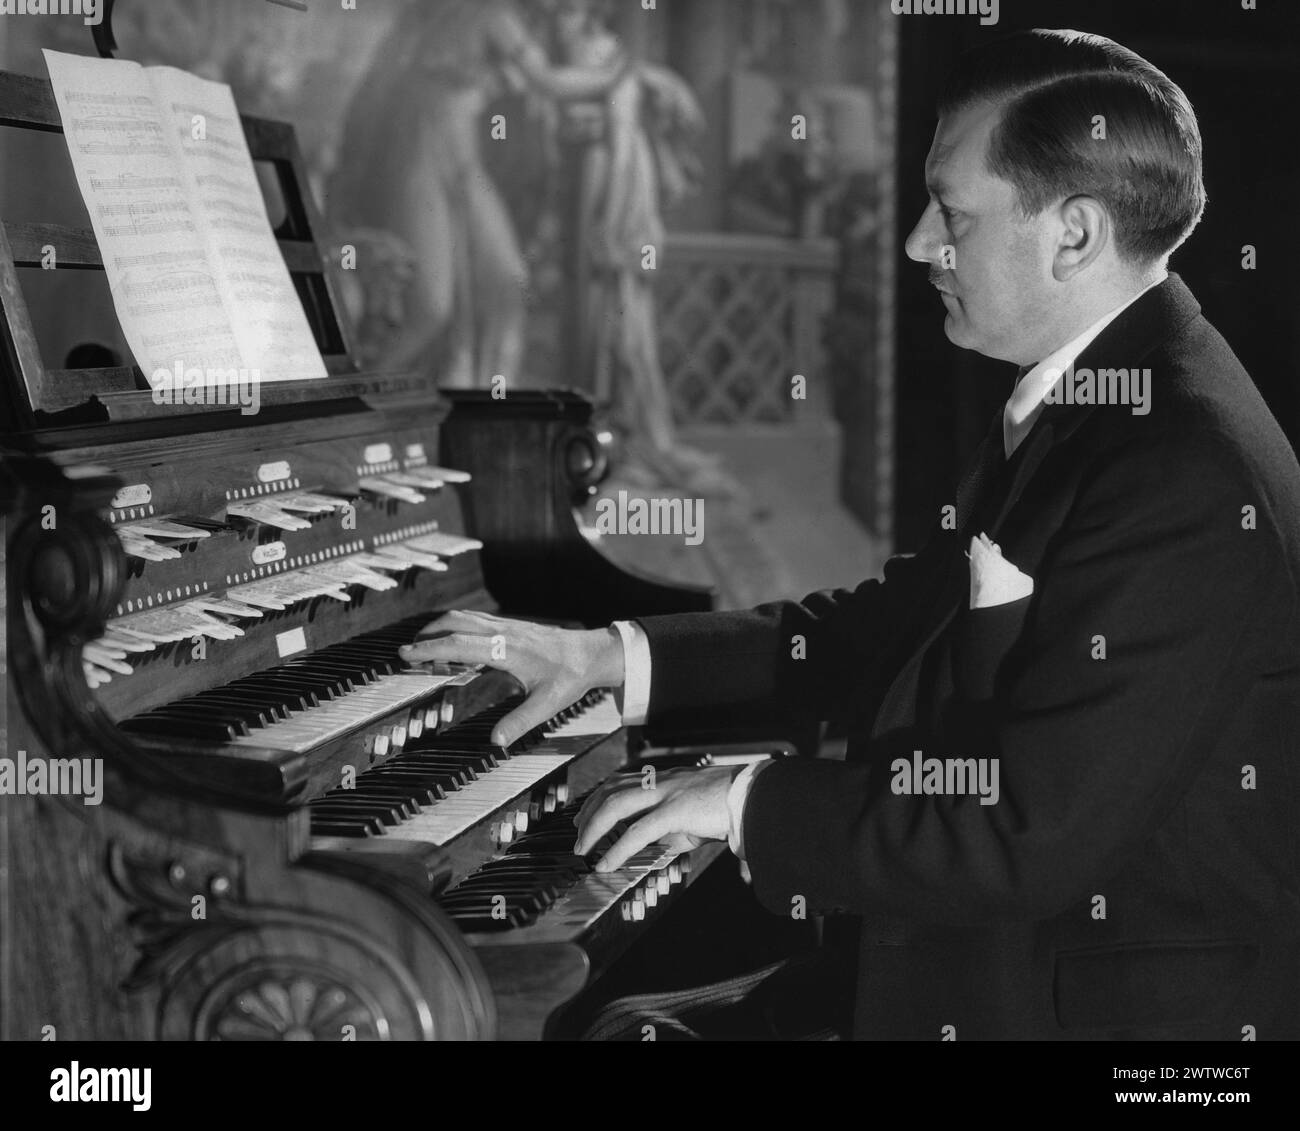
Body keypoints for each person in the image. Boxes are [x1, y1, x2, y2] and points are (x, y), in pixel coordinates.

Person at [400, 29, 1300, 1040]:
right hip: (983, 959)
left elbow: (1027, 833)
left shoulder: (1177, 466)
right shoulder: (1100, 395)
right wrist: (612, 657)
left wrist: (746, 802)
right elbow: (896, 627)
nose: (919, 242)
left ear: (1075, 235)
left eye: (951, 213)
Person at [327, 0, 630, 384]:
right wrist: (617, 75)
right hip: (423, 157)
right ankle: (358, 395)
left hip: (463, 163)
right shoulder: (491, 14)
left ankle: (486, 395)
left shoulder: (499, 24)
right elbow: (549, 82)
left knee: (506, 280)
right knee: (432, 311)